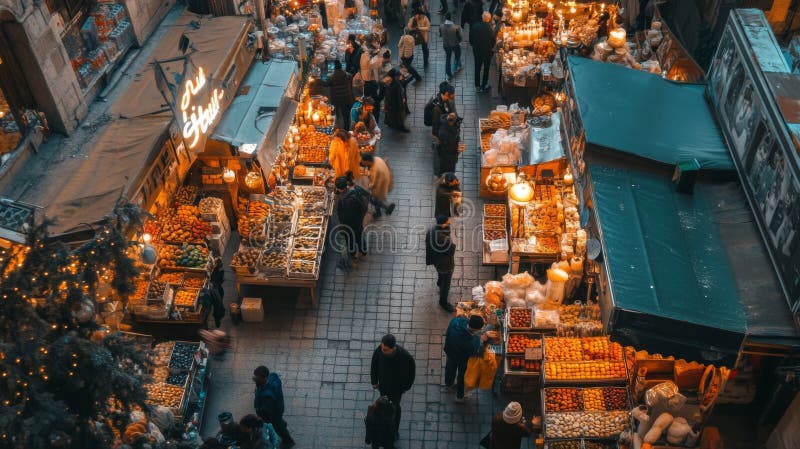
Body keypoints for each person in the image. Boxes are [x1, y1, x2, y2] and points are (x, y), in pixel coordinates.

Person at [370, 334, 415, 437]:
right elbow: (374, 365)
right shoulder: (379, 351)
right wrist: (374, 381)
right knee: (383, 405)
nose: (382, 351)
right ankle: (384, 425)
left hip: (396, 390)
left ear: (393, 348)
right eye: (382, 347)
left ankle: (393, 430)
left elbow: (410, 375)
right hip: (383, 386)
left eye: (385, 349)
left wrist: (404, 388)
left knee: (394, 408)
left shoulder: (405, 357)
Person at [443, 314, 487, 401]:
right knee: (462, 375)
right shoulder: (471, 342)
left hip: (450, 350)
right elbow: (474, 352)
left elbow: (458, 319)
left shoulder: (456, 321)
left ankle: (449, 383)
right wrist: (481, 339)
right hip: (462, 359)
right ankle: (460, 396)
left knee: (450, 368)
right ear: (476, 329)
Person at [252, 366, 295, 448]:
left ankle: (288, 441)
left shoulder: (267, 395)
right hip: (279, 407)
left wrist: (260, 413)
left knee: (278, 428)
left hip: (273, 414)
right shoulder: (272, 377)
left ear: (263, 378)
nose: (254, 378)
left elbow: (266, 410)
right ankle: (282, 423)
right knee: (279, 422)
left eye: (257, 377)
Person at [334, 176, 370, 272]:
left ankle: (353, 254)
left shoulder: (342, 200)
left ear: (337, 188)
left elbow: (343, 216)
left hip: (348, 226)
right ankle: (364, 250)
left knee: (350, 240)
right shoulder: (355, 192)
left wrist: (342, 226)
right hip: (358, 222)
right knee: (359, 236)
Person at [426, 215, 456, 312]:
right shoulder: (442, 238)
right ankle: (443, 302)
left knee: (440, 274)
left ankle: (439, 281)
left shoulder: (431, 229)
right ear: (442, 224)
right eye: (447, 223)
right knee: (446, 284)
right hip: (445, 264)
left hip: (436, 260)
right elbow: (451, 250)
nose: (449, 223)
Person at [360, 153, 395, 218]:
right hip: (385, 180)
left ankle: (382, 211)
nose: (363, 163)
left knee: (374, 199)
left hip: (380, 186)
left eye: (363, 162)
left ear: (367, 161)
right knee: (378, 199)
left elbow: (373, 184)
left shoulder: (375, 170)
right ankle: (386, 207)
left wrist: (367, 186)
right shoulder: (377, 158)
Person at [470, 12, 495, 92]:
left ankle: (477, 86)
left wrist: (474, 45)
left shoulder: (475, 27)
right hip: (487, 52)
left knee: (477, 68)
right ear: (489, 19)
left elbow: (471, 40)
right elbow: (493, 41)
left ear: (482, 18)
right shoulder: (490, 29)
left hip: (477, 52)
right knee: (486, 69)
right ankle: (484, 85)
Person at [326, 61, 354, 130]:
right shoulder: (348, 75)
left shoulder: (331, 77)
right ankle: (346, 129)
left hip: (337, 99)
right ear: (341, 67)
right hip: (346, 98)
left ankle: (337, 128)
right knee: (346, 115)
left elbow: (327, 83)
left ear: (335, 68)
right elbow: (351, 79)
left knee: (336, 114)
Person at [439, 14, 463, 80]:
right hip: (455, 44)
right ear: (451, 18)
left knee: (448, 58)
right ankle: (455, 68)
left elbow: (440, 35)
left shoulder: (441, 26)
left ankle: (449, 73)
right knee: (458, 54)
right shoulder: (456, 27)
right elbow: (460, 38)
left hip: (446, 45)